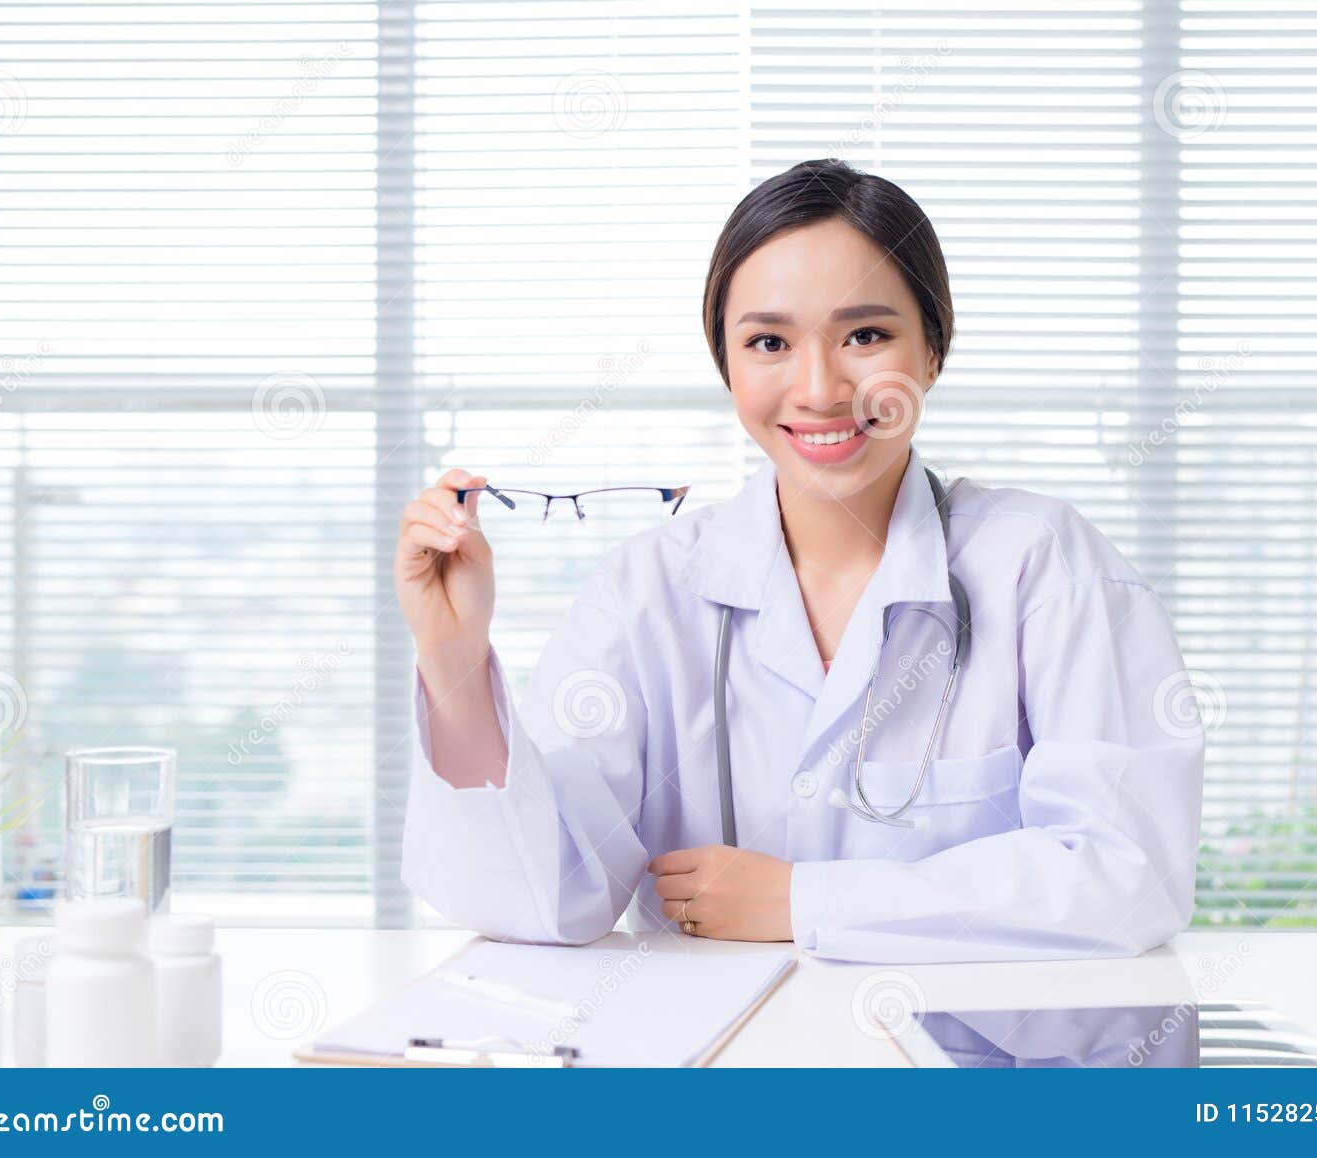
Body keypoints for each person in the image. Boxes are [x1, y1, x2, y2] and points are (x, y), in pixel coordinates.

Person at [394, 158, 1205, 963]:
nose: (820, 388)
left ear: (932, 353)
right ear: (728, 366)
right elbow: (543, 895)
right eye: (769, 342)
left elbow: (1127, 877)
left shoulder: (1047, 570)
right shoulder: (645, 592)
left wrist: (802, 900)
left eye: (866, 335)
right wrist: (454, 660)